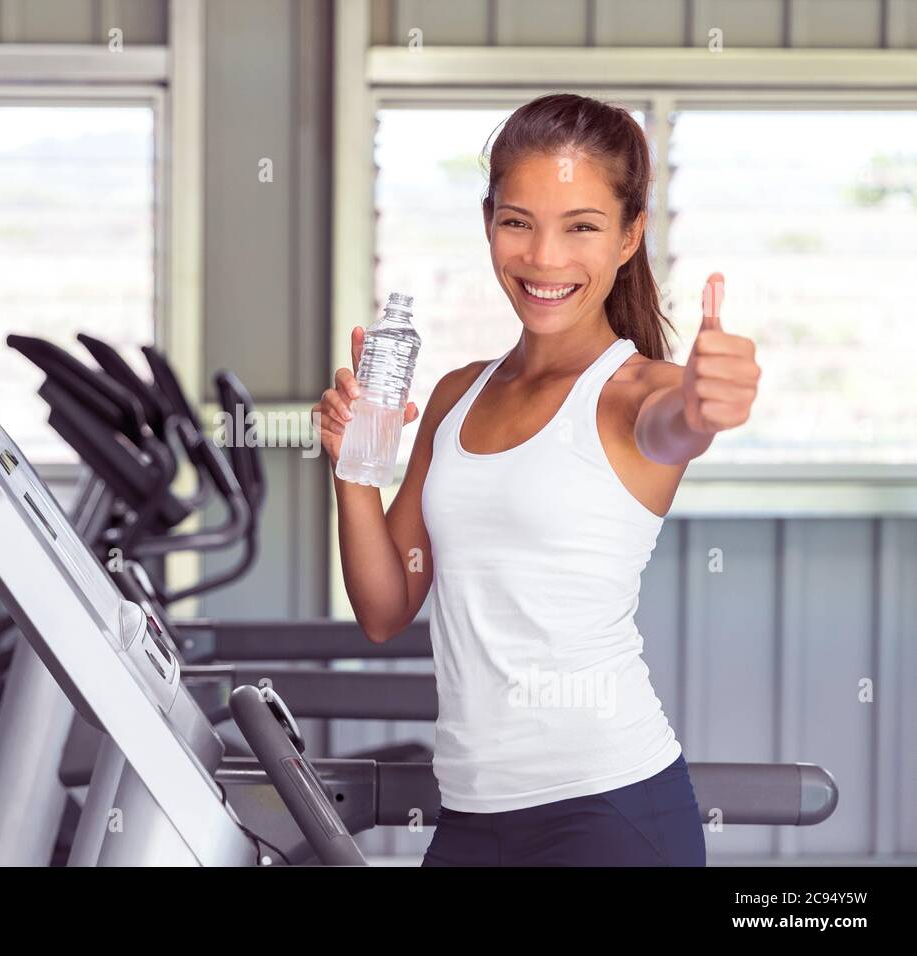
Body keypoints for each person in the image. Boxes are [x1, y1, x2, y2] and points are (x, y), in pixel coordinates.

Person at [313, 93, 761, 866]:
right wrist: (355, 469)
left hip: (608, 812)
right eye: (518, 221)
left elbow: (678, 423)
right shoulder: (456, 395)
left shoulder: (637, 394)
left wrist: (706, 403)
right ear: (489, 222)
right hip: (469, 817)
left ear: (629, 236)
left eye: (581, 226)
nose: (544, 258)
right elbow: (386, 610)